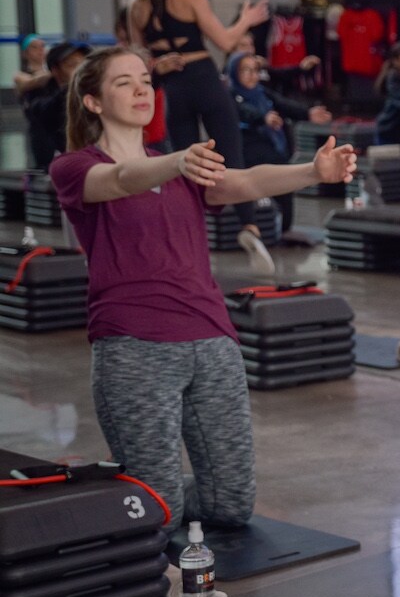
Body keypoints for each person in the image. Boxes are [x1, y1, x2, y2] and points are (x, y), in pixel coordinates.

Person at [50, 47, 358, 529]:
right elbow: (122, 178)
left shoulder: (181, 169)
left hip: (212, 341)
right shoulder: (73, 168)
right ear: (92, 102)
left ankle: (134, 491)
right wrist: (178, 161)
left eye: (146, 81)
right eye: (123, 83)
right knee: (161, 511)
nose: (141, 91)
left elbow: (246, 180)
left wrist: (311, 172)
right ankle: (123, 497)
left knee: (229, 505)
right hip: (134, 347)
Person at [127, 0, 274, 273]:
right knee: (231, 154)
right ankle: (249, 226)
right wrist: (247, 20)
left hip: (172, 85)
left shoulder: (138, 2)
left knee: (186, 161)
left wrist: (159, 65)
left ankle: (189, 234)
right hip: (203, 78)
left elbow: (138, 56)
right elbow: (224, 40)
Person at [228, 52, 333, 236]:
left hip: (271, 147)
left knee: (284, 181)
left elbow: (284, 105)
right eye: (245, 70)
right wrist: (263, 118)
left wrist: (308, 114)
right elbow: (243, 112)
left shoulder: (262, 93)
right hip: (247, 148)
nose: (252, 75)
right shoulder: (229, 95)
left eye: (255, 70)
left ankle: (285, 229)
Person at [20, 42, 88, 170]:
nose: (81, 70)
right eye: (72, 65)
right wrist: (70, 88)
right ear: (56, 70)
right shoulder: (43, 100)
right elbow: (41, 111)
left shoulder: (93, 94)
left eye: (83, 64)